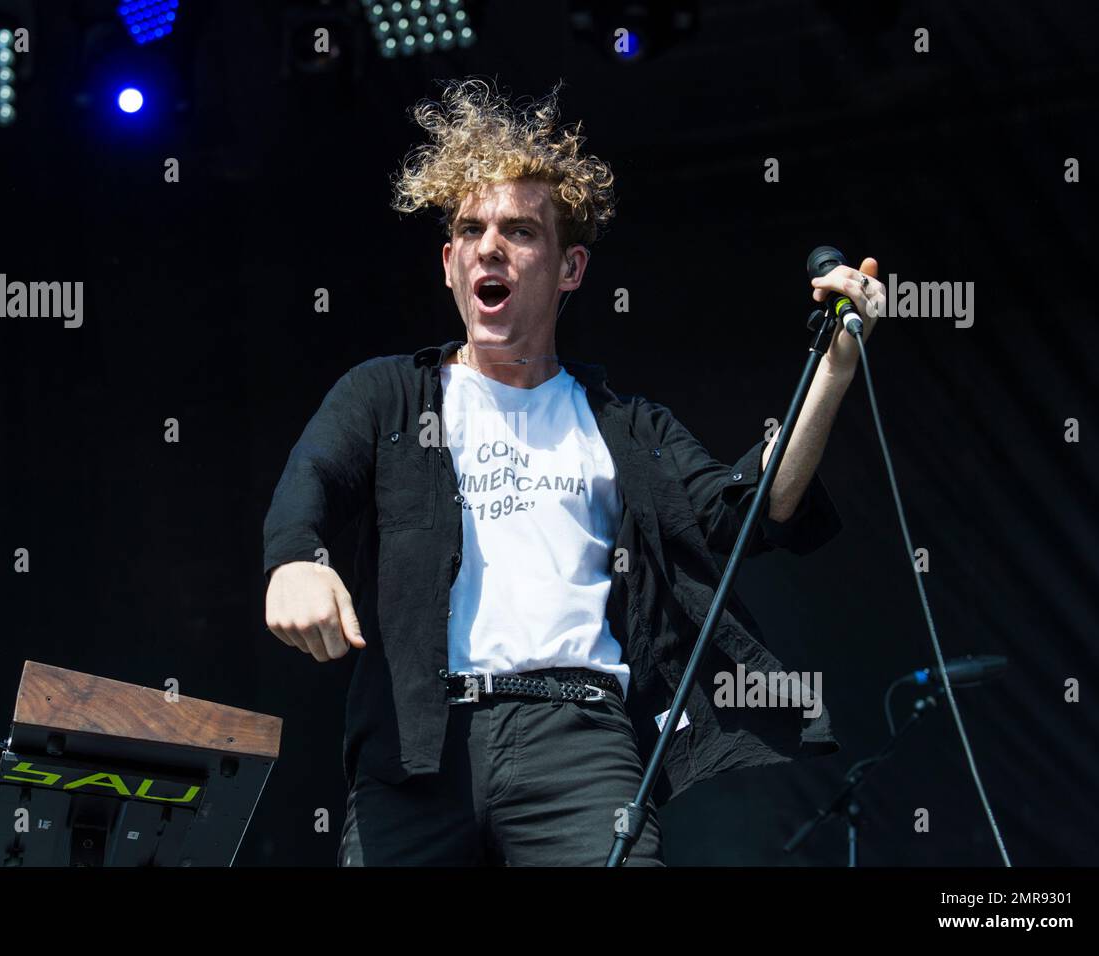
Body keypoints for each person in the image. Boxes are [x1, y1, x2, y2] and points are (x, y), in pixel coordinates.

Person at [262, 78, 883, 866]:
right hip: (417, 746)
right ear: (449, 263)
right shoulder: (388, 394)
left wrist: (834, 364)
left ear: (570, 268)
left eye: (519, 231)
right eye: (471, 230)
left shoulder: (623, 423)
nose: (490, 245)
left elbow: (754, 511)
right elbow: (311, 479)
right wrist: (292, 560)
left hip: (579, 743)